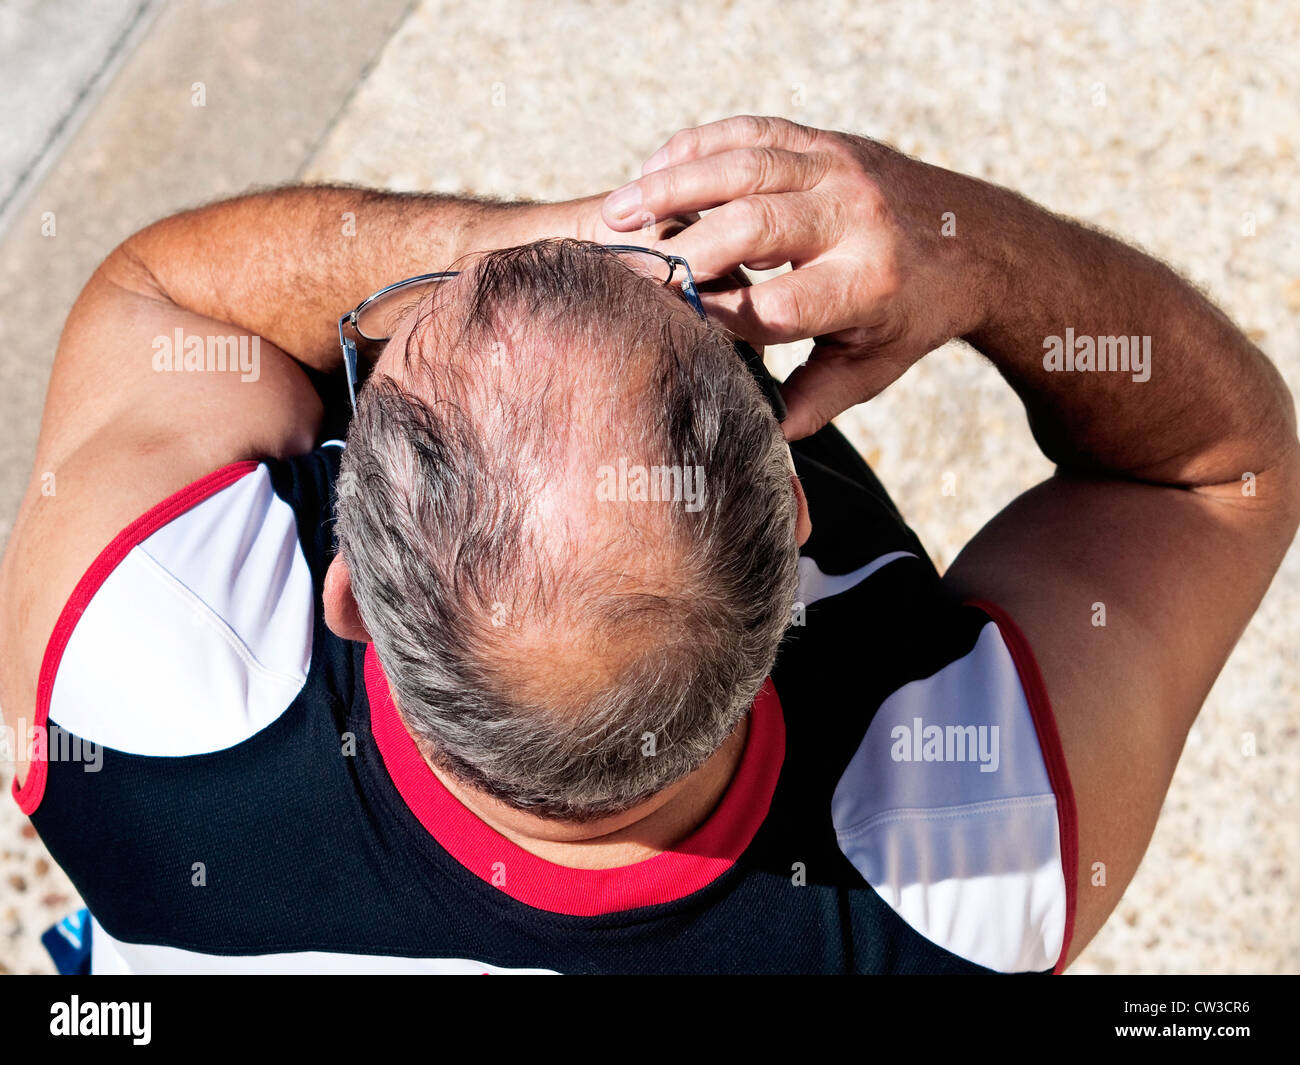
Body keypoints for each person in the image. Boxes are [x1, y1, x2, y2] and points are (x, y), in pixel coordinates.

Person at [2, 115, 1295, 974]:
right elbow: (1228, 472)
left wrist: (482, 245)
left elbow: (158, 292)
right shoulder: (970, 861)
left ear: (348, 595)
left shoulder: (131, 675)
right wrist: (977, 250)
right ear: (792, 524)